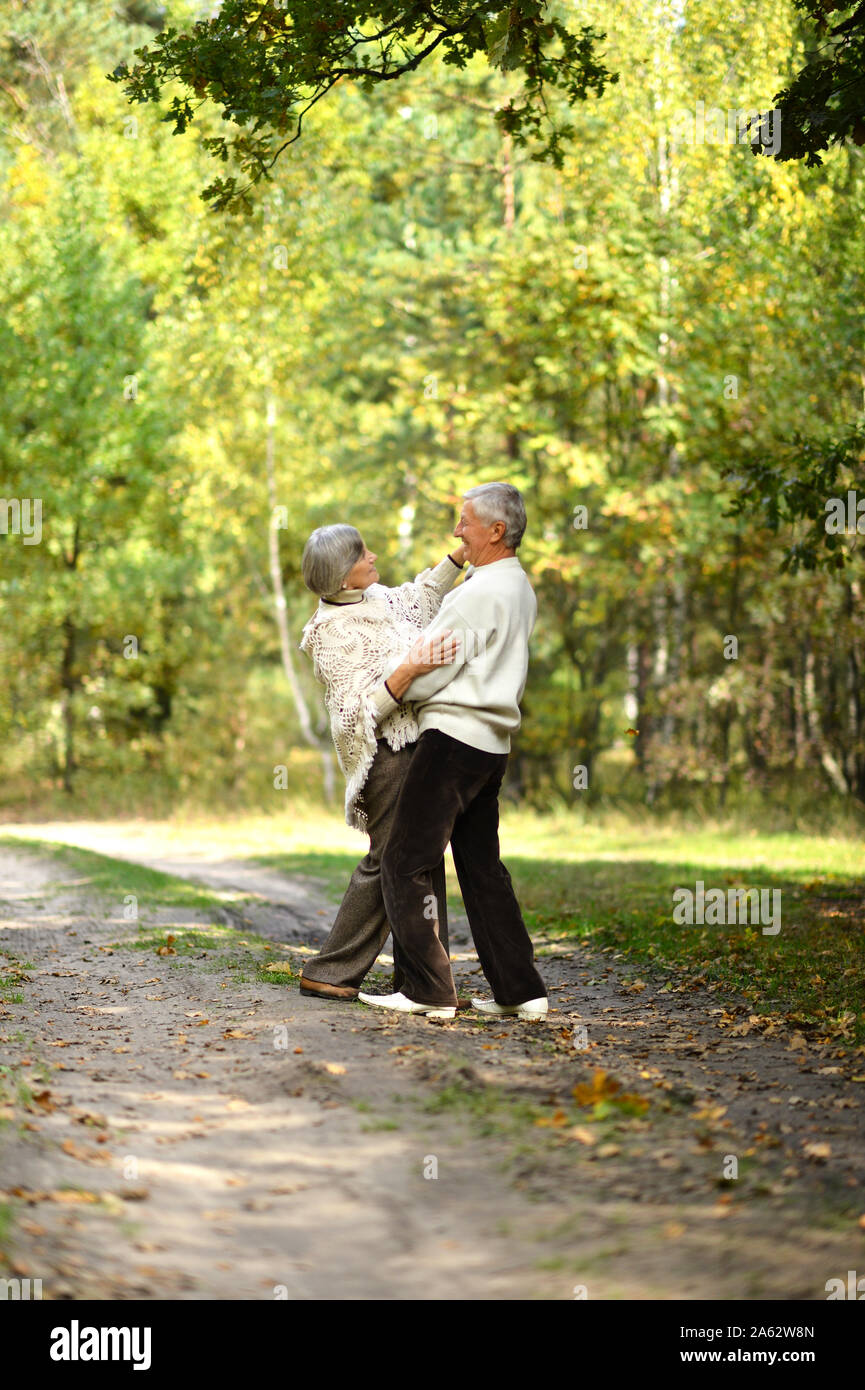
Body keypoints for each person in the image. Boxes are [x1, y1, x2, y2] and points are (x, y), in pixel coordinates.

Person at [358, 482, 548, 1021]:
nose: (457, 531)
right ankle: (521, 990)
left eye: (465, 521)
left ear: (496, 531)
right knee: (482, 866)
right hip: (492, 747)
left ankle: (427, 992)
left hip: (453, 741)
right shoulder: (519, 587)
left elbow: (428, 666)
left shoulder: (477, 594)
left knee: (404, 859)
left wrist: (395, 689)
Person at [296, 524, 464, 1000]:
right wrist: (412, 667)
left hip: (418, 745)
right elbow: (357, 712)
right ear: (343, 576)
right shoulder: (331, 632)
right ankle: (331, 970)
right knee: (389, 862)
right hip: (384, 756)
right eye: (362, 554)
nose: (374, 555)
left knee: (422, 859)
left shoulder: (376, 598)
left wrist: (460, 555)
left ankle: (425, 982)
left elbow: (421, 596)